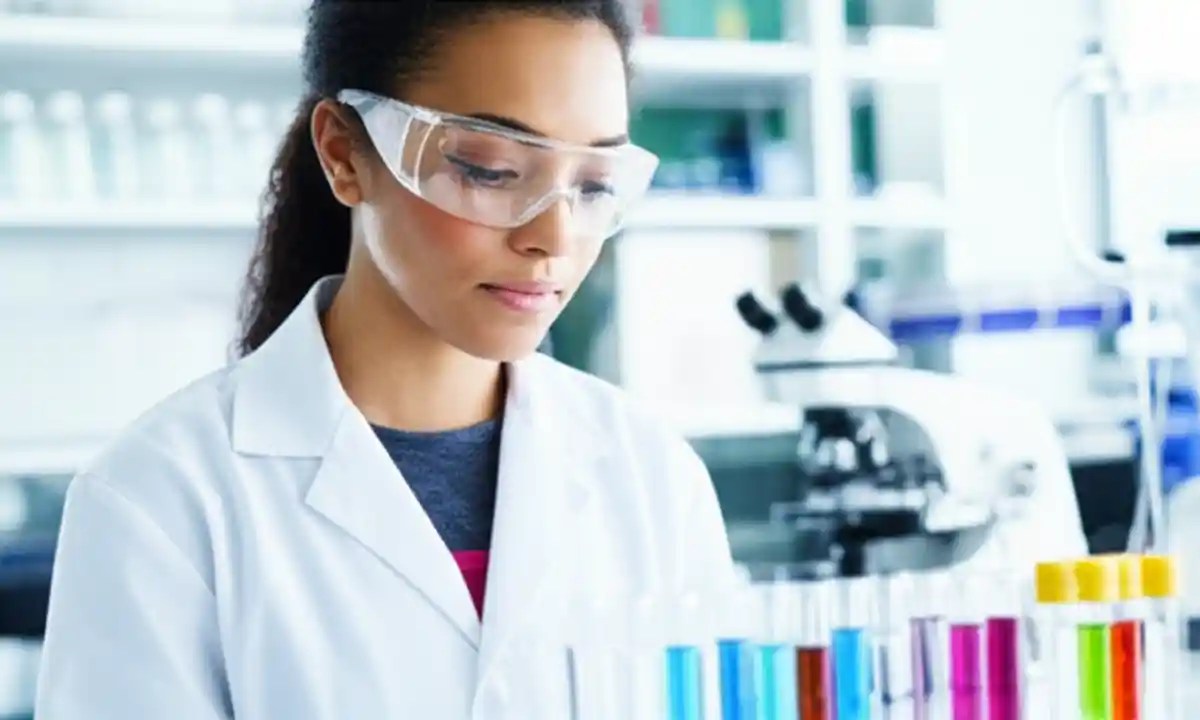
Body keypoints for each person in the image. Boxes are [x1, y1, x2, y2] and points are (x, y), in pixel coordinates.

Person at [35, 2, 737, 718]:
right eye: (491, 171)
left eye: (592, 185)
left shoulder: (652, 476)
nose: (554, 236)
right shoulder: (161, 497)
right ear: (344, 154)